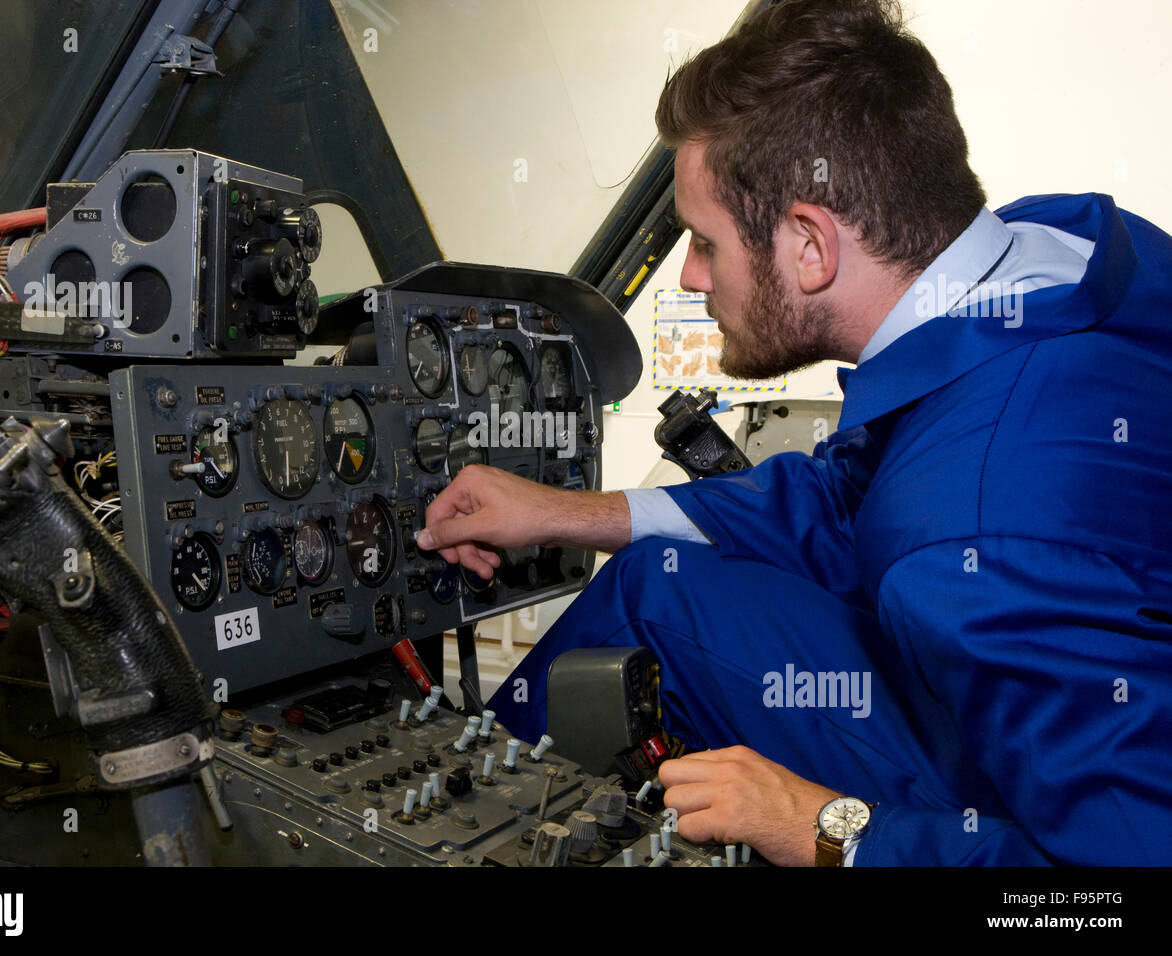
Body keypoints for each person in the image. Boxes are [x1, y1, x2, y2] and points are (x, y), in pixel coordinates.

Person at [417, 0, 1172, 865]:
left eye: (703, 242)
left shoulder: (970, 541)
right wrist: (565, 513)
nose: (693, 277)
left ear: (810, 245)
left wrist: (825, 828)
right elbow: (842, 493)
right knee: (655, 586)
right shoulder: (1064, 246)